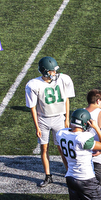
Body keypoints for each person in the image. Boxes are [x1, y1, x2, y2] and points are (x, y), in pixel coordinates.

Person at [25, 56, 75, 188]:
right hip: (43, 119)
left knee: (62, 148)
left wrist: (67, 118)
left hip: (59, 118)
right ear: (45, 71)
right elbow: (33, 107)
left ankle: (69, 174)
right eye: (52, 71)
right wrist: (37, 126)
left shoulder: (63, 79)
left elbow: (67, 99)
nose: (55, 73)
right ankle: (48, 176)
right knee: (44, 148)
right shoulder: (34, 85)